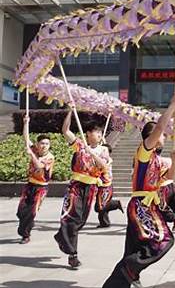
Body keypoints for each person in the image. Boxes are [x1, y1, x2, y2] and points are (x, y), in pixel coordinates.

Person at [102, 92, 175, 288]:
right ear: (151, 136)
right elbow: (161, 126)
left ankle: (118, 282)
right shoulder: (144, 151)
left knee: (133, 249)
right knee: (163, 240)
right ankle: (130, 269)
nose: (163, 136)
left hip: (148, 206)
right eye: (160, 134)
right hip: (141, 206)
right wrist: (172, 107)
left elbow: (169, 178)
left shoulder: (155, 159)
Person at [54, 105, 110, 268]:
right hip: (76, 186)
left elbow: (103, 166)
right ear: (88, 134)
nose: (98, 135)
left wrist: (91, 152)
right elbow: (65, 131)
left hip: (91, 188)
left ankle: (61, 236)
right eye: (95, 132)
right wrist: (71, 111)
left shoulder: (103, 150)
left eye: (100, 133)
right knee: (70, 216)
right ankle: (73, 254)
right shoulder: (79, 145)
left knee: (80, 220)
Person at [16, 115, 54, 244]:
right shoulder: (35, 149)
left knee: (31, 212)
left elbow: (39, 165)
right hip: (29, 185)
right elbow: (26, 139)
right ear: (37, 144)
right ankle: (23, 230)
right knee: (21, 211)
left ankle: (26, 235)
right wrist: (26, 123)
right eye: (42, 143)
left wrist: (31, 154)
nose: (44, 146)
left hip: (41, 188)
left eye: (47, 144)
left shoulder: (49, 157)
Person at [94, 143, 123, 228]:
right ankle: (104, 222)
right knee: (100, 205)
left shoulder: (106, 160)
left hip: (106, 186)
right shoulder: (105, 159)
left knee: (100, 206)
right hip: (103, 186)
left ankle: (116, 204)